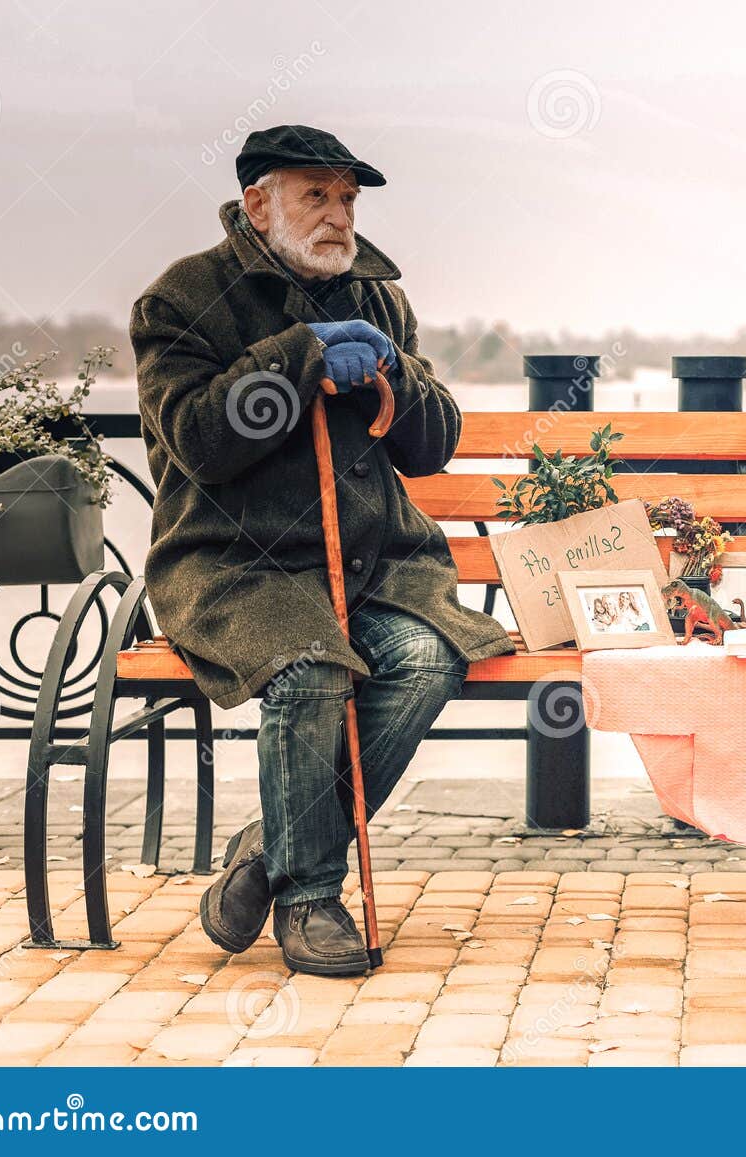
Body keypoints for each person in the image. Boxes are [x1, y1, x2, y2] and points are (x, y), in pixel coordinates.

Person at [130, 125, 513, 975]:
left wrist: (395, 376)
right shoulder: (181, 299)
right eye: (318, 195)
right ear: (258, 202)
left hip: (378, 563)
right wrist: (296, 358)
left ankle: (268, 848)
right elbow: (200, 441)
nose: (340, 216)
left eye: (348, 198)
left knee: (423, 657)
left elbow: (431, 445)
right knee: (310, 665)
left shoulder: (377, 298)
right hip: (234, 565)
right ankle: (308, 897)